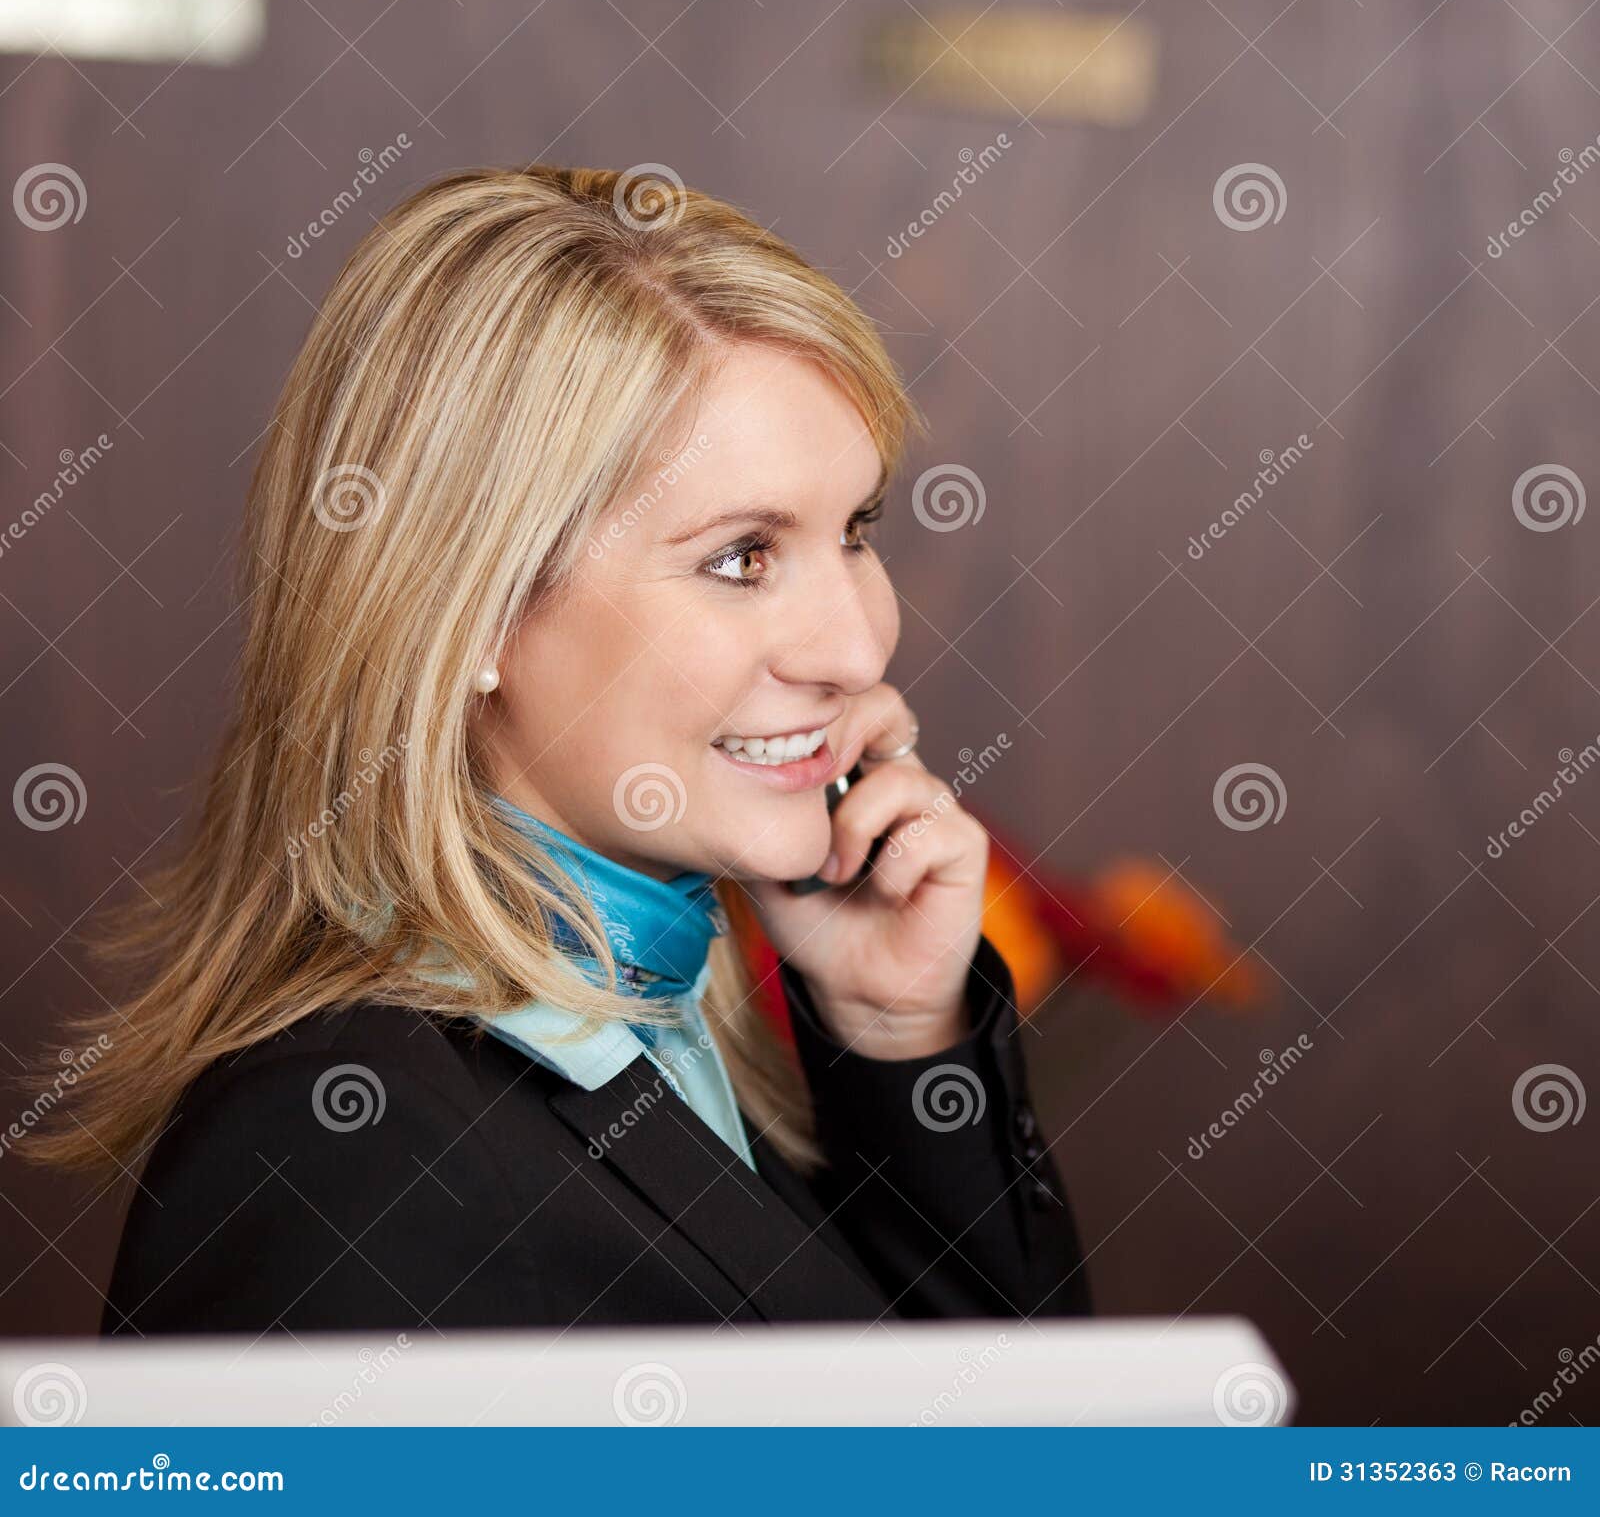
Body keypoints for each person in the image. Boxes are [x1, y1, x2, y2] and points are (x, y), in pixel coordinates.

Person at [27, 164, 1093, 1334]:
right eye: (741, 556)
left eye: (855, 532)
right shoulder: (351, 1148)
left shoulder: (644, 1027)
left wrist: (896, 1032)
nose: (854, 643)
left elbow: (1006, 1445)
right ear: (469, 608)